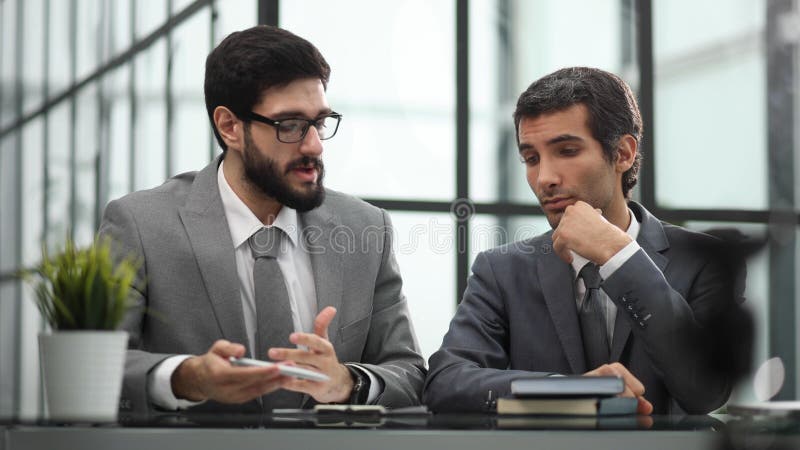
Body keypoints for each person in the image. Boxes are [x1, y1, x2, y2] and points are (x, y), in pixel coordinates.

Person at [99, 25, 425, 414]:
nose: (314, 145)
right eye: (289, 125)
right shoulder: (140, 224)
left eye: (319, 122)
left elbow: (410, 372)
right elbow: (93, 362)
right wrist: (185, 376)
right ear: (230, 127)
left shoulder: (365, 228)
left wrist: (347, 381)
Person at [423, 67, 742, 415]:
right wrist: (566, 393)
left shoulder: (705, 260)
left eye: (567, 151)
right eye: (531, 158)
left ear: (623, 153)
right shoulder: (501, 271)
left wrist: (620, 257)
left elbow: (707, 390)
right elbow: (445, 383)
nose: (544, 178)